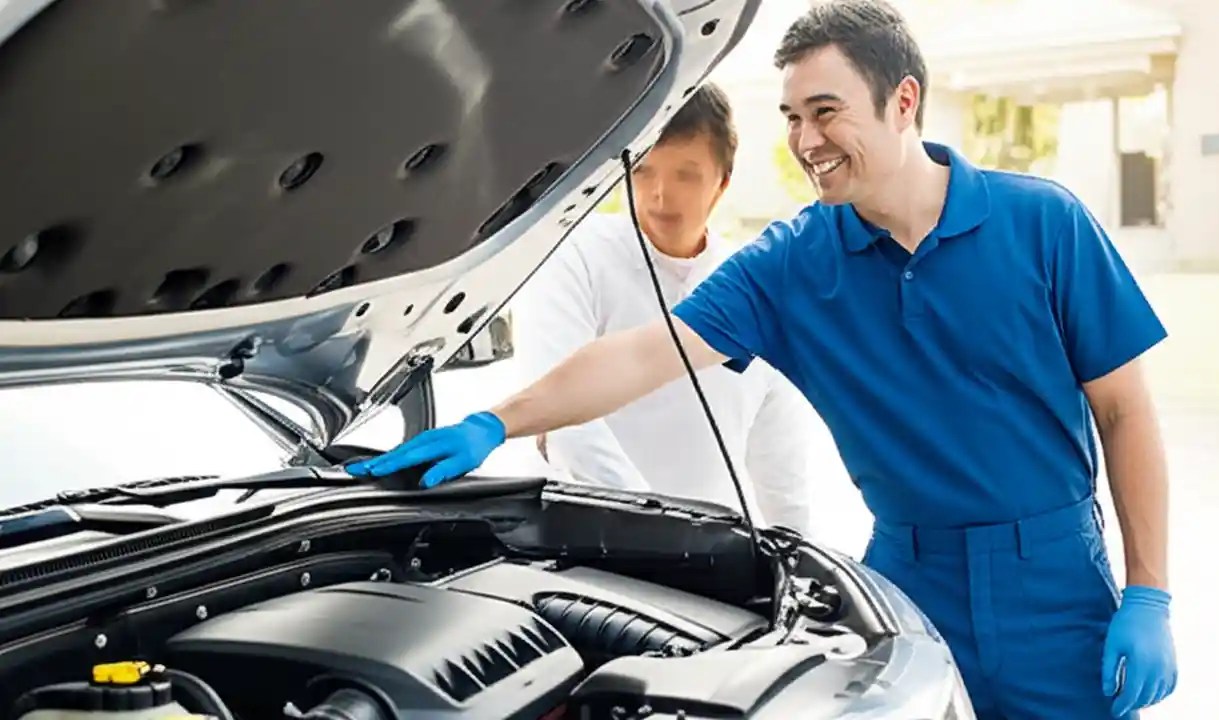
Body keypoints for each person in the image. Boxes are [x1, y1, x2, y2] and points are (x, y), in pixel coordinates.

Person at [347, 2, 1177, 718]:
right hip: (910, 580)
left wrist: (1148, 593)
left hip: (1054, 583)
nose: (805, 141)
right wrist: (495, 422)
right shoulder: (792, 264)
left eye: (826, 112)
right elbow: (641, 356)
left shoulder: (1044, 224)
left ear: (903, 101)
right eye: (791, 117)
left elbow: (1124, 412)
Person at [510, 84, 814, 532]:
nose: (660, 194)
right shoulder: (574, 256)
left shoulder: (753, 284)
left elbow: (780, 456)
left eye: (685, 175)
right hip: (586, 542)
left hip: (712, 551)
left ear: (722, 183)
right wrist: (658, 528)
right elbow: (564, 420)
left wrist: (797, 547)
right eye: (643, 171)